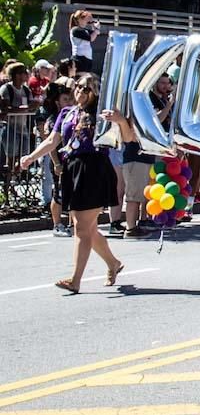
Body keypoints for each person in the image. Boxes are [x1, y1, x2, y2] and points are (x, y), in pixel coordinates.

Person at [19, 76, 125, 294]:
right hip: (72, 169)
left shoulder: (103, 114)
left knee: (82, 228)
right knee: (87, 228)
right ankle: (113, 263)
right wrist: (31, 157)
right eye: (78, 87)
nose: (80, 91)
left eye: (86, 88)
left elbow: (128, 137)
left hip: (95, 169)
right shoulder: (67, 113)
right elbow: (53, 140)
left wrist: (120, 120)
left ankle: (75, 280)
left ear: (95, 92)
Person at [120, 74, 174, 237]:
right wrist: (169, 105)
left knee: (144, 191)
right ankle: (131, 228)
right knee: (134, 195)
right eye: (162, 83)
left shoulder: (155, 99)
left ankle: (142, 220)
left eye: (167, 83)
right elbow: (156, 121)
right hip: (136, 154)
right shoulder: (144, 100)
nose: (165, 86)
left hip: (147, 154)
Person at [38, 80, 74, 236]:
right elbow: (51, 144)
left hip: (71, 160)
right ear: (57, 102)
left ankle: (73, 224)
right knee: (58, 194)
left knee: (72, 193)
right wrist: (56, 163)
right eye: (65, 99)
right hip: (59, 161)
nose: (69, 102)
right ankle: (57, 224)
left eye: (70, 99)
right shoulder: (53, 119)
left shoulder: (72, 117)